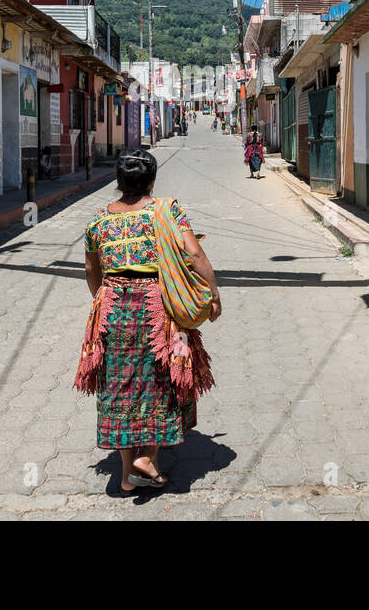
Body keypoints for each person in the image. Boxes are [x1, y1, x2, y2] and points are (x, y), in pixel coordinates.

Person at [76, 149, 221, 495]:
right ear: (152, 181)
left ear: (118, 182)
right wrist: (213, 293)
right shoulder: (166, 210)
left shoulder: (96, 222)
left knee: (120, 387)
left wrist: (108, 299)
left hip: (112, 309)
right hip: (156, 307)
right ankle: (149, 457)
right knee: (161, 383)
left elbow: (91, 273)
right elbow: (194, 253)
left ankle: (128, 475)